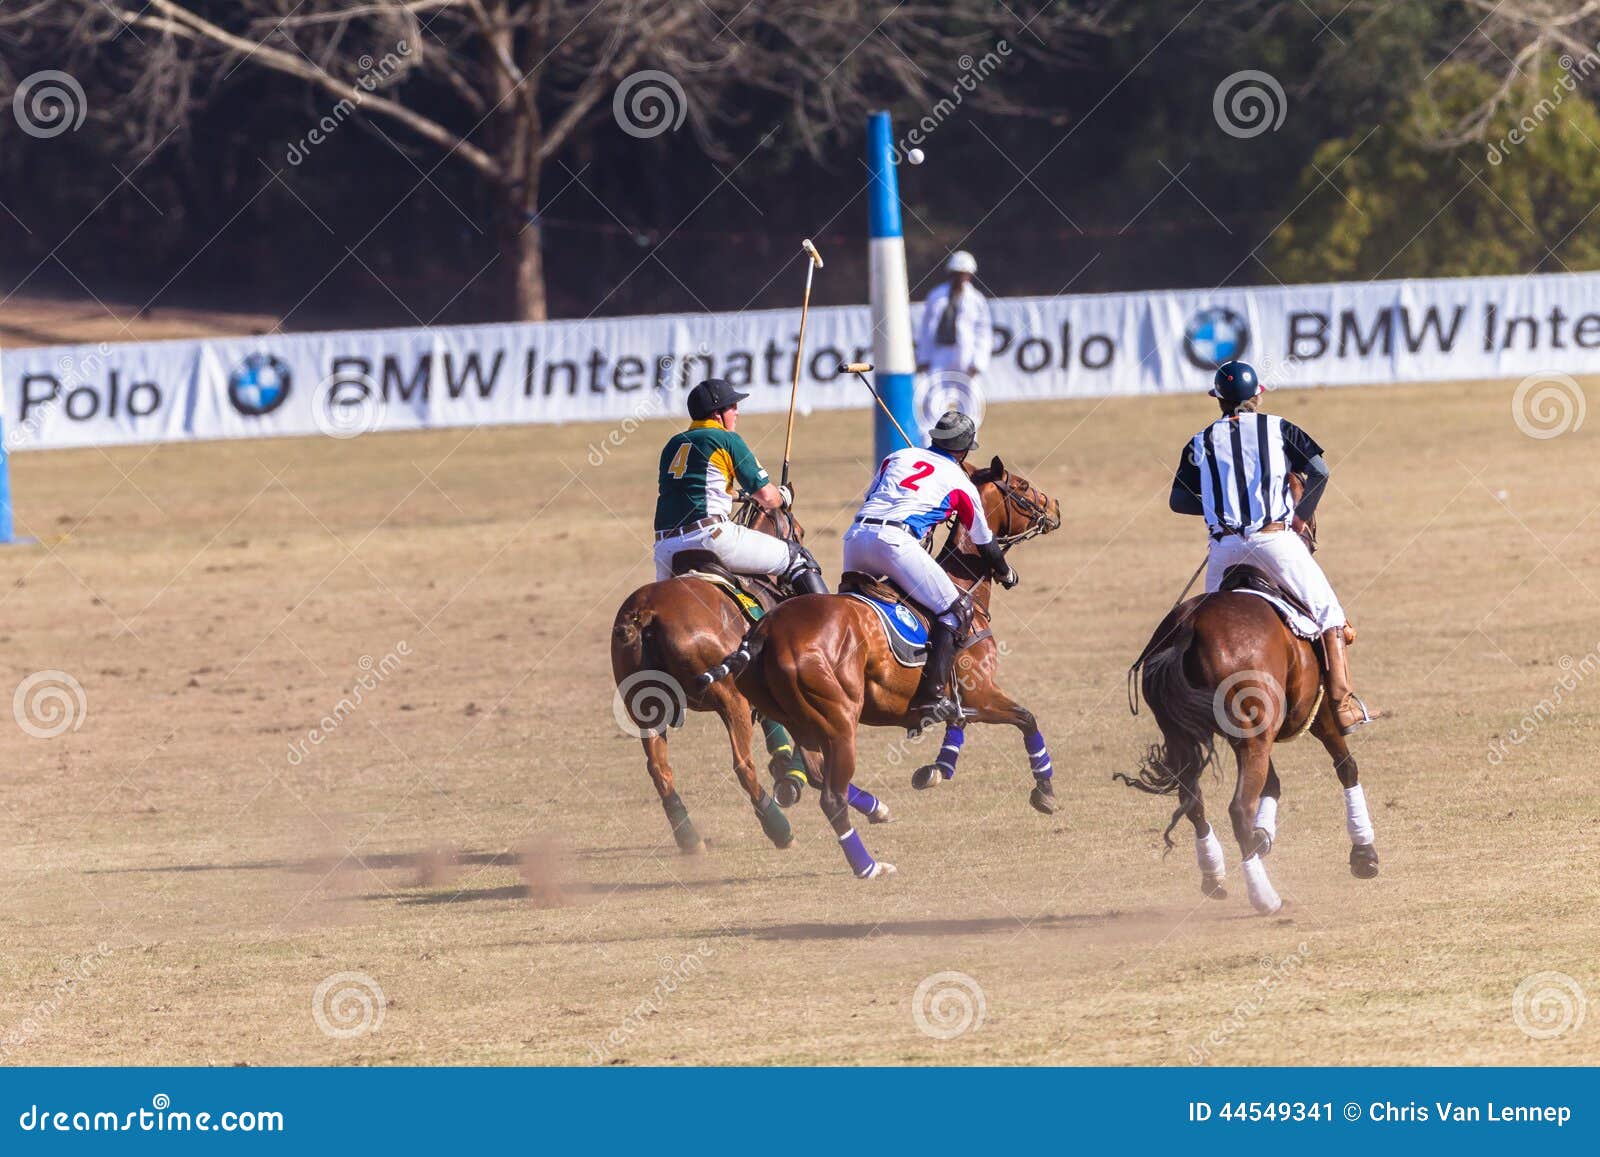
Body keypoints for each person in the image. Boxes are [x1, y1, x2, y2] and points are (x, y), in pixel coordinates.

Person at [1168, 360, 1373, 734]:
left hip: (1224, 550)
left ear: (1219, 400)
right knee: (1329, 612)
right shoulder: (1279, 428)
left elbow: (1178, 501)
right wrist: (1301, 515)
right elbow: (1320, 471)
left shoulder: (1200, 442)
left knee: (1204, 630)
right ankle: (1343, 706)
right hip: (1275, 541)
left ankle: (1204, 711)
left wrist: (1219, 505)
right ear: (1257, 397)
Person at [842, 410, 1017, 723]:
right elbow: (984, 541)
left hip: (856, 538)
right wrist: (1005, 572)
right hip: (895, 544)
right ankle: (933, 696)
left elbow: (876, 497)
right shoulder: (960, 482)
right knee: (957, 610)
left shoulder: (897, 457)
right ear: (964, 451)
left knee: (850, 609)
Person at [653, 377, 827, 595]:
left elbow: (692, 489)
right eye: (732, 406)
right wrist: (783, 497)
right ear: (717, 413)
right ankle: (830, 615)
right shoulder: (726, 439)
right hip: (709, 538)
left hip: (665, 549)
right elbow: (767, 497)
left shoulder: (673, 444)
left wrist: (739, 495)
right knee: (799, 558)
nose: (737, 412)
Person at [914, 251, 991, 392]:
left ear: (970, 275)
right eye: (957, 273)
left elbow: (983, 332)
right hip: (940, 351)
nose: (960, 277)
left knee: (969, 394)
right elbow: (926, 328)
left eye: (964, 274)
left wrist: (978, 361)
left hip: (965, 353)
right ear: (950, 273)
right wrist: (924, 357)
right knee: (934, 393)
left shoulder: (977, 299)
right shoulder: (936, 295)